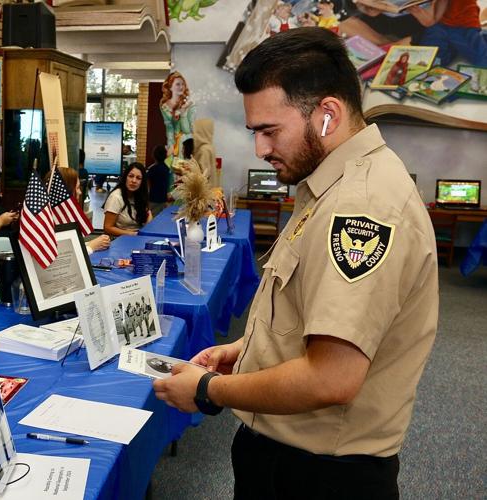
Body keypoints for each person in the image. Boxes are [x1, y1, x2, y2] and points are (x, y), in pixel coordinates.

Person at [153, 28, 438, 498]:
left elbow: (331, 376)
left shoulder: (359, 206)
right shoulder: (330, 185)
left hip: (319, 475)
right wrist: (245, 349)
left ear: (328, 114)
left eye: (270, 131)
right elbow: (312, 314)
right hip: (294, 459)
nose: (261, 150)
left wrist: (207, 391)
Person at [45, 167, 110, 253]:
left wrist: (92, 243)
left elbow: (70, 246)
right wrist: (91, 247)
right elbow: (62, 256)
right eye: (77, 188)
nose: (80, 192)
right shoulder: (51, 218)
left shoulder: (62, 213)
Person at [406, 0, 487, 66]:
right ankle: (453, 49)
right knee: (429, 61)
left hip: (463, 23)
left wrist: (433, 19)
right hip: (439, 24)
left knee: (482, 60)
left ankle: (481, 38)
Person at [103, 162, 153, 237]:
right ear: (125, 177)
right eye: (131, 176)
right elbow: (107, 228)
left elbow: (148, 214)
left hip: (137, 237)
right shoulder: (116, 197)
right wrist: (134, 234)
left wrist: (146, 230)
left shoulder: (140, 195)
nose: (134, 181)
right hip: (119, 240)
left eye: (138, 178)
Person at [160, 71, 195, 158]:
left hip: (187, 143)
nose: (181, 87)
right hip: (174, 143)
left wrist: (183, 113)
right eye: (178, 84)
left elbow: (187, 130)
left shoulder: (190, 104)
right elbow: (169, 127)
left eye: (183, 84)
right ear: (170, 87)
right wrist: (171, 144)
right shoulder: (164, 106)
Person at [146, 145, 170, 216]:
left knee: (152, 218)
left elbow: (147, 185)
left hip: (153, 199)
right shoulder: (166, 168)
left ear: (154, 155)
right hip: (163, 199)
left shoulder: (152, 169)